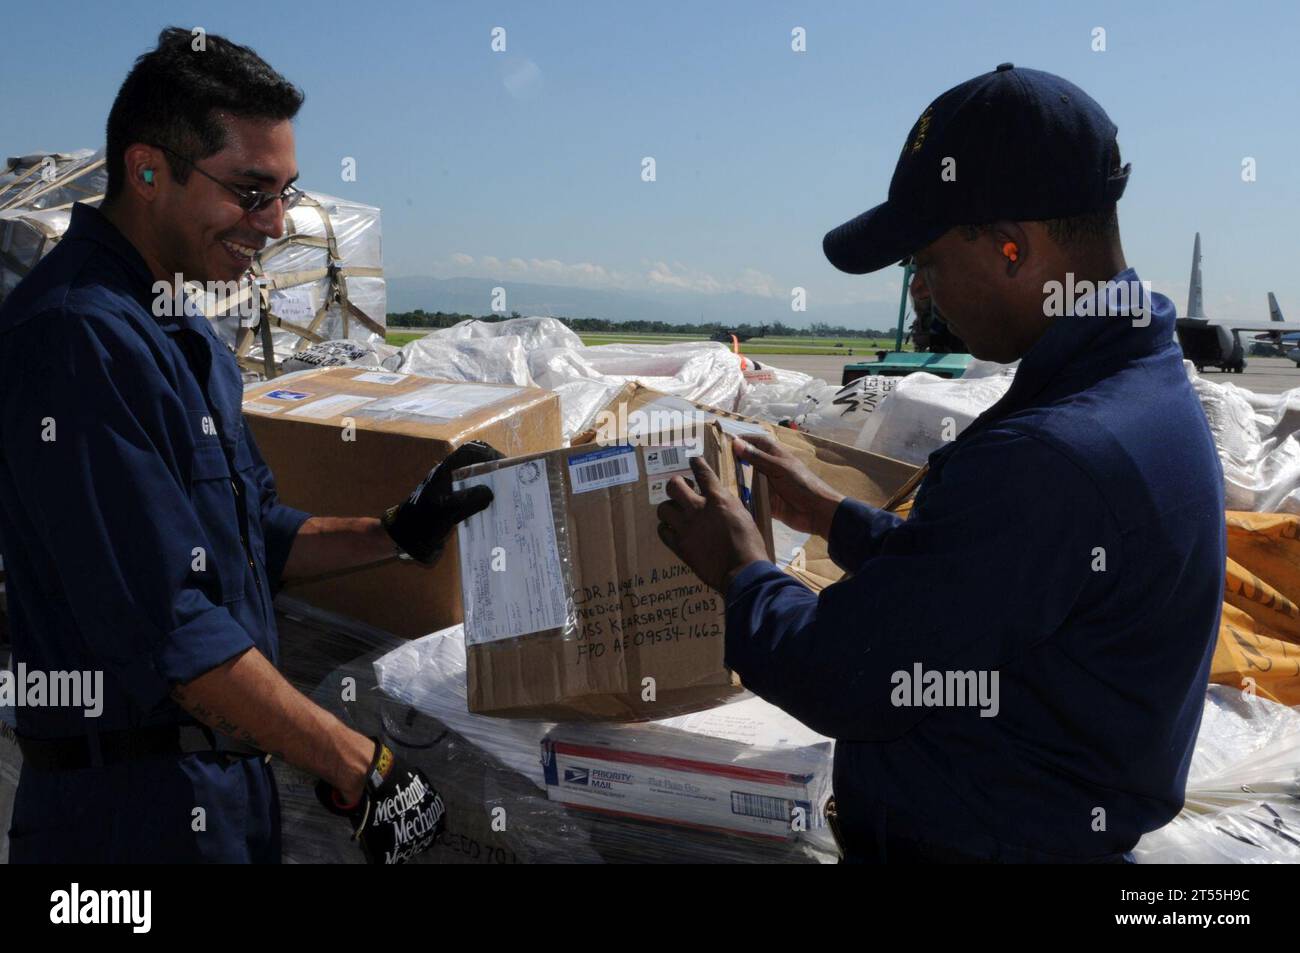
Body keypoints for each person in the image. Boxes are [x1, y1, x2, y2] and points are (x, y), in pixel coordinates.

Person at [656, 64, 1225, 862]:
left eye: (925, 262)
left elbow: (849, 675)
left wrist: (744, 570)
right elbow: (986, 584)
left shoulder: (1054, 455)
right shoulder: (1139, 385)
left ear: (1012, 250)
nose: (924, 293)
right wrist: (836, 519)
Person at [0, 28, 496, 863]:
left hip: (224, 800)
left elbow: (254, 538)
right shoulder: (75, 339)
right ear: (147, 171)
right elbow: (175, 632)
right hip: (124, 821)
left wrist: (395, 530)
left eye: (285, 194)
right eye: (249, 191)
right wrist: (364, 765)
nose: (273, 224)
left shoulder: (185, 330)